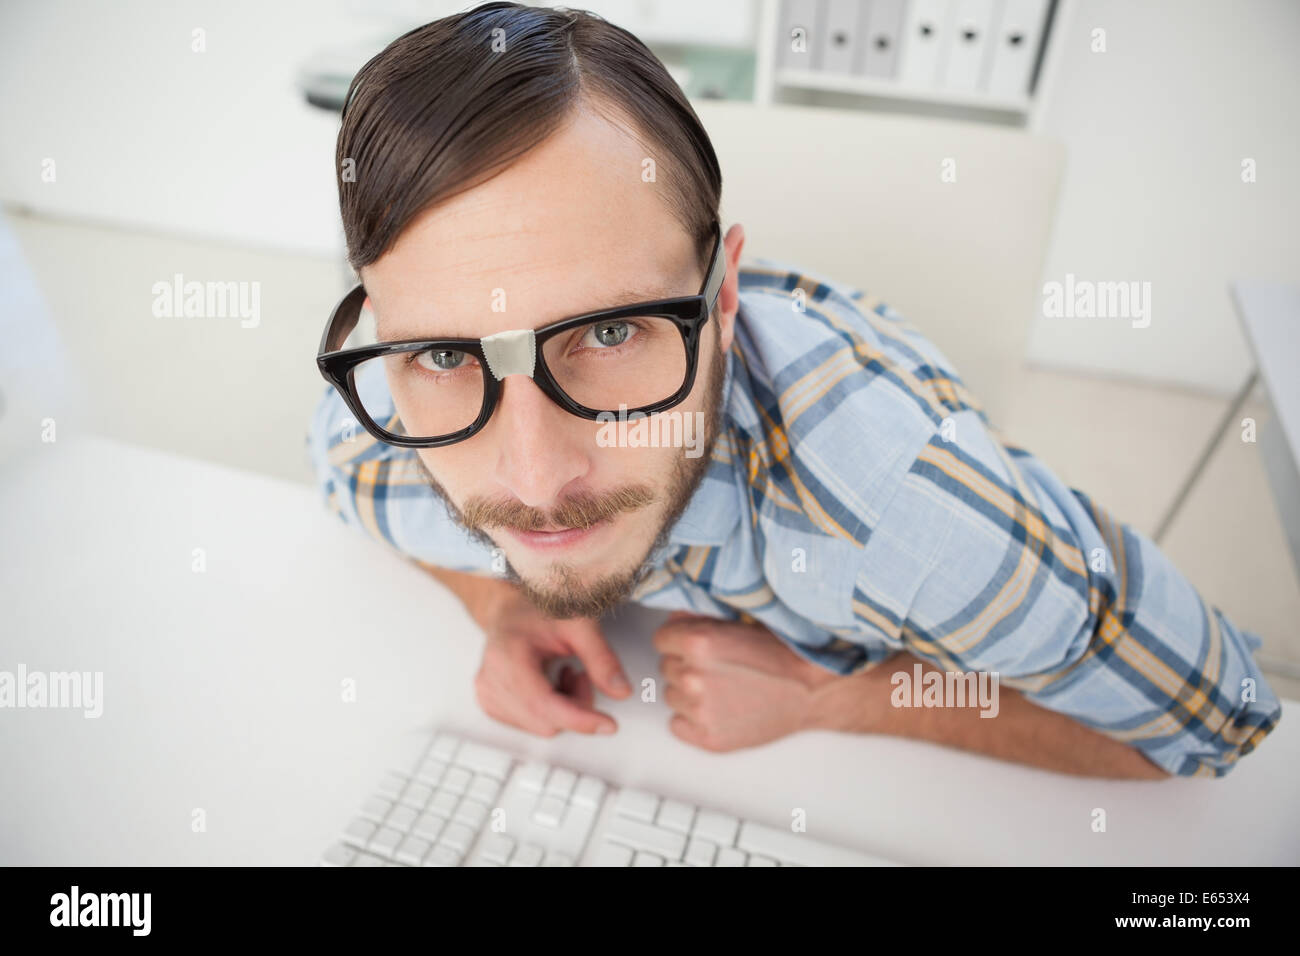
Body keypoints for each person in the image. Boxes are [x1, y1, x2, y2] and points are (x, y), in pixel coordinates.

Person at [307, 1, 1280, 779]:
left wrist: (833, 699)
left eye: (609, 332)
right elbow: (334, 463)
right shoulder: (393, 426)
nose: (533, 477)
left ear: (723, 292)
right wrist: (499, 598)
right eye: (438, 352)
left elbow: (1213, 714)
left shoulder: (916, 516)